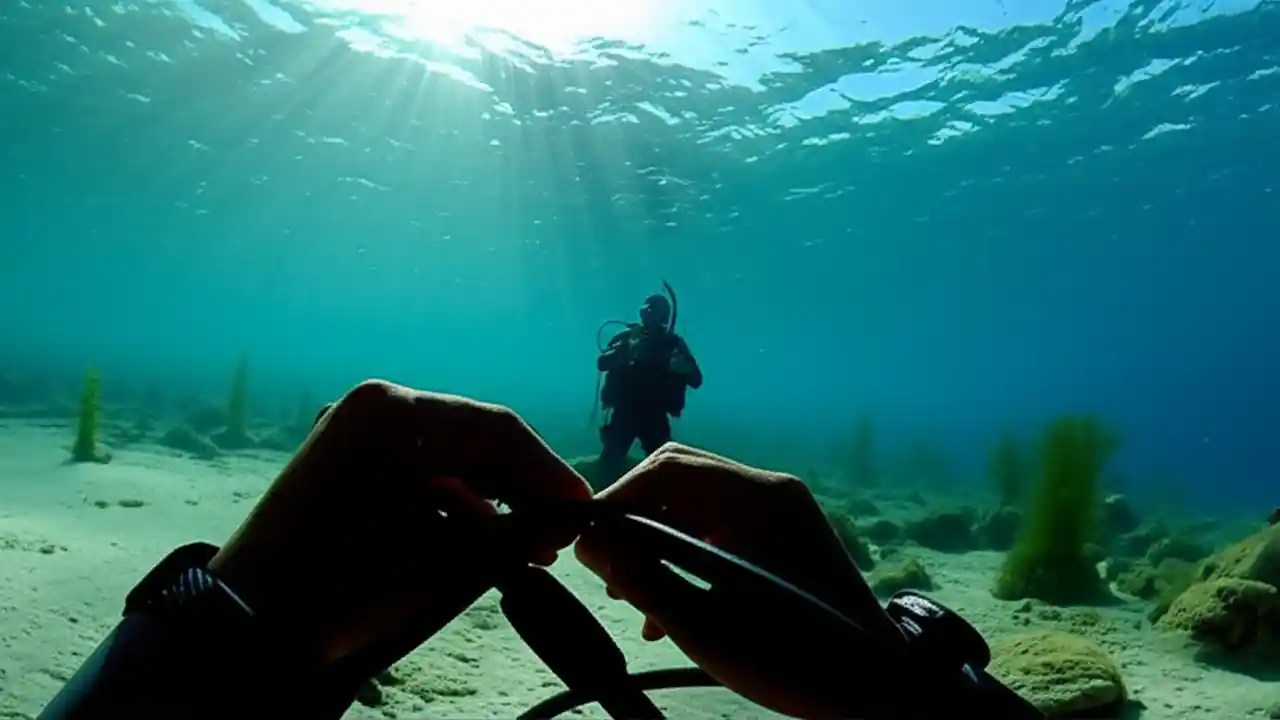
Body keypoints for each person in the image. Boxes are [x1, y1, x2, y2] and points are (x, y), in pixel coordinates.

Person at [38, 380, 1037, 720]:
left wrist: (212, 638)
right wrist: (913, 693)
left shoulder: (663, 351)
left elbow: (673, 381)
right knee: (612, 470)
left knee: (617, 472)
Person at [596, 292, 702, 485]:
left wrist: (685, 367)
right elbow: (602, 363)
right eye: (647, 309)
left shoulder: (673, 344)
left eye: (654, 310)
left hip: (655, 415)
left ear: (664, 316)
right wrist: (625, 352)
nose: (648, 314)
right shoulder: (628, 338)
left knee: (664, 465)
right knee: (611, 461)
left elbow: (696, 379)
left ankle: (662, 504)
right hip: (625, 412)